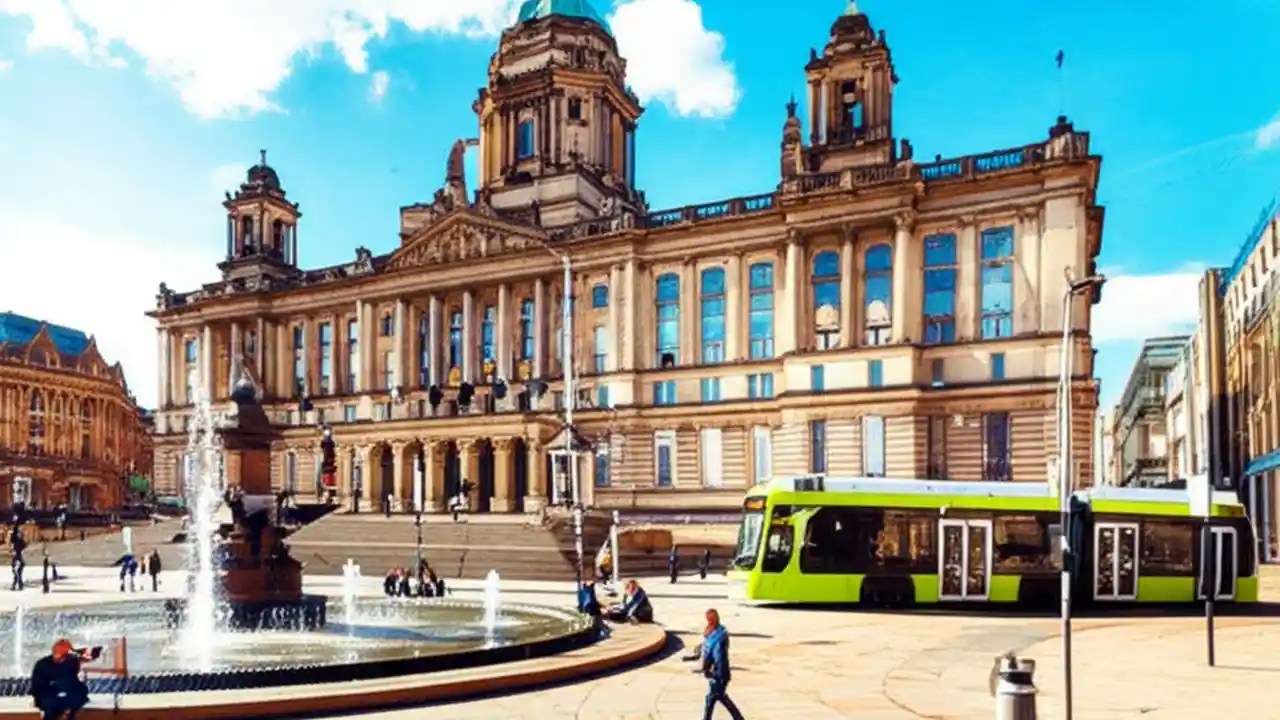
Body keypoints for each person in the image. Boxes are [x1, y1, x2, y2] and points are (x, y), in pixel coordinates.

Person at [698, 608, 744, 720]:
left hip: (719, 674)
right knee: (716, 698)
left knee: (714, 698)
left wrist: (708, 669)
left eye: (709, 619)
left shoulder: (716, 638)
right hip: (721, 673)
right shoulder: (719, 633)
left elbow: (716, 656)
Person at [30, 639, 93, 720]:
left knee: (75, 697)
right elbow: (37, 687)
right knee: (50, 706)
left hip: (67, 695)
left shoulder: (72, 662)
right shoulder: (42, 665)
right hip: (48, 695)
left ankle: (67, 713)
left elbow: (75, 684)